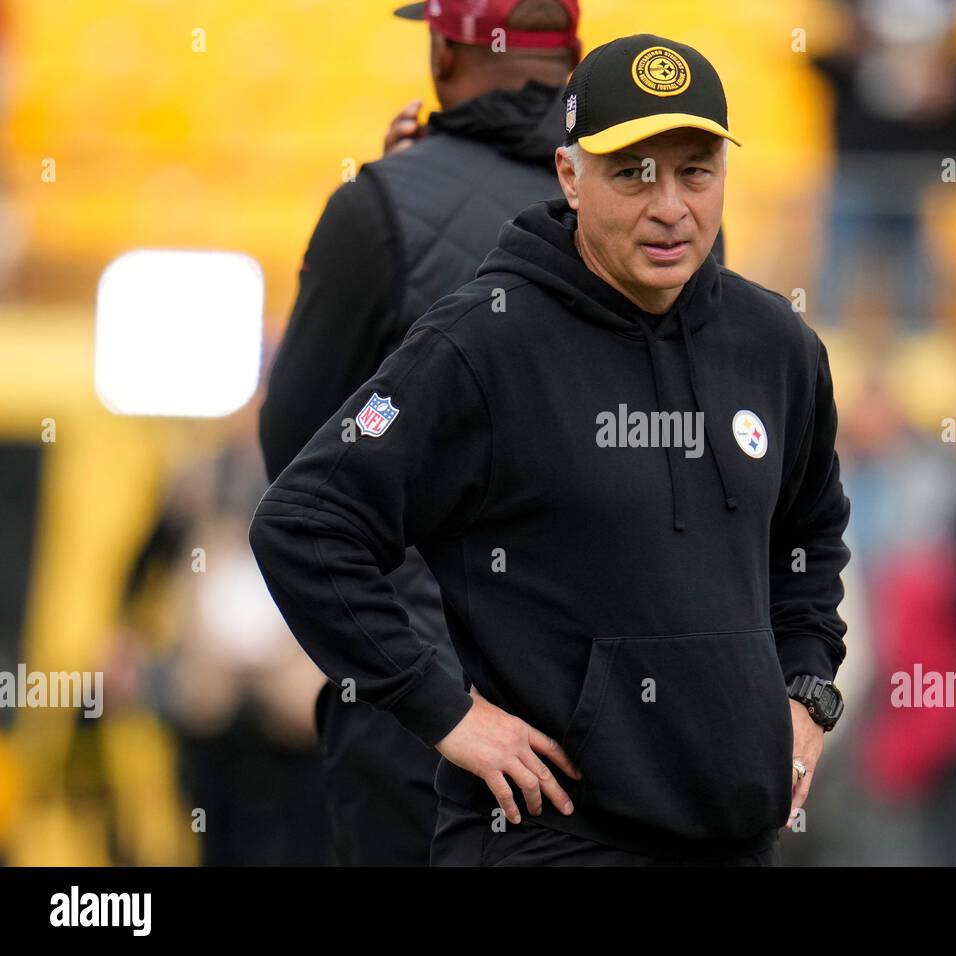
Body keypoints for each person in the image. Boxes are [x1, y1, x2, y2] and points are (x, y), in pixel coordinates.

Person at [249, 34, 851, 866]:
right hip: (549, 840)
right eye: (632, 172)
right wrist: (447, 713)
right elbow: (306, 524)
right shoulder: (483, 341)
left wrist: (806, 689)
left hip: (734, 838)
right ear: (570, 176)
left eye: (695, 171)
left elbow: (811, 537)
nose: (670, 205)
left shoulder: (776, 343)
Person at [257, 0, 581, 865]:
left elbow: (295, 467)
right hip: (612, 717)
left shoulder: (379, 209)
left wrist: (383, 205)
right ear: (576, 56)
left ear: (442, 53)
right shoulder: (671, 216)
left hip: (423, 712)